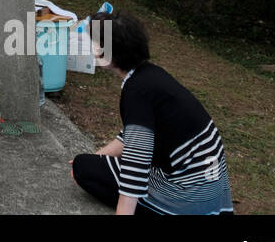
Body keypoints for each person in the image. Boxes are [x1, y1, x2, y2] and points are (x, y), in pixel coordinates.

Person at [70, 11, 233, 215]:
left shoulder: (136, 91)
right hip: (209, 189)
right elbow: (134, 135)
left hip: (186, 197)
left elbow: (135, 164)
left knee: (83, 168)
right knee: (89, 163)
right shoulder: (151, 75)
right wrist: (98, 156)